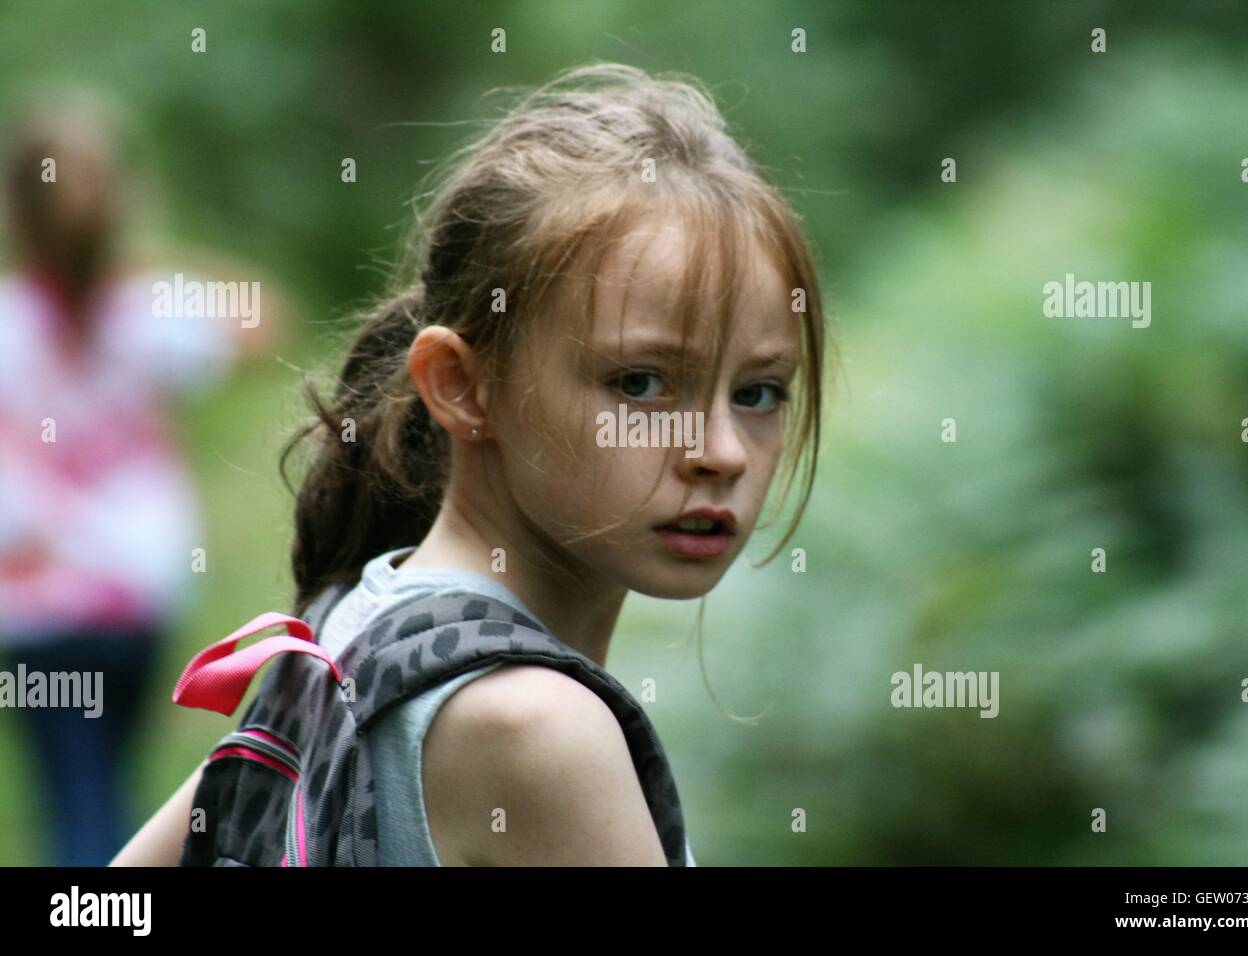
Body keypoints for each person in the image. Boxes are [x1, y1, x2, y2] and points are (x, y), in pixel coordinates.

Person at [111, 61, 829, 867]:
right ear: (461, 385)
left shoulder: (346, 623)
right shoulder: (538, 730)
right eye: (640, 383)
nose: (723, 453)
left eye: (759, 393)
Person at [0, 93, 271, 865]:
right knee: (115, 790)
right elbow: (263, 318)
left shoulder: (8, 321)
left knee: (77, 802)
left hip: (40, 599)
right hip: (140, 594)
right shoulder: (151, 311)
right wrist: (138, 251)